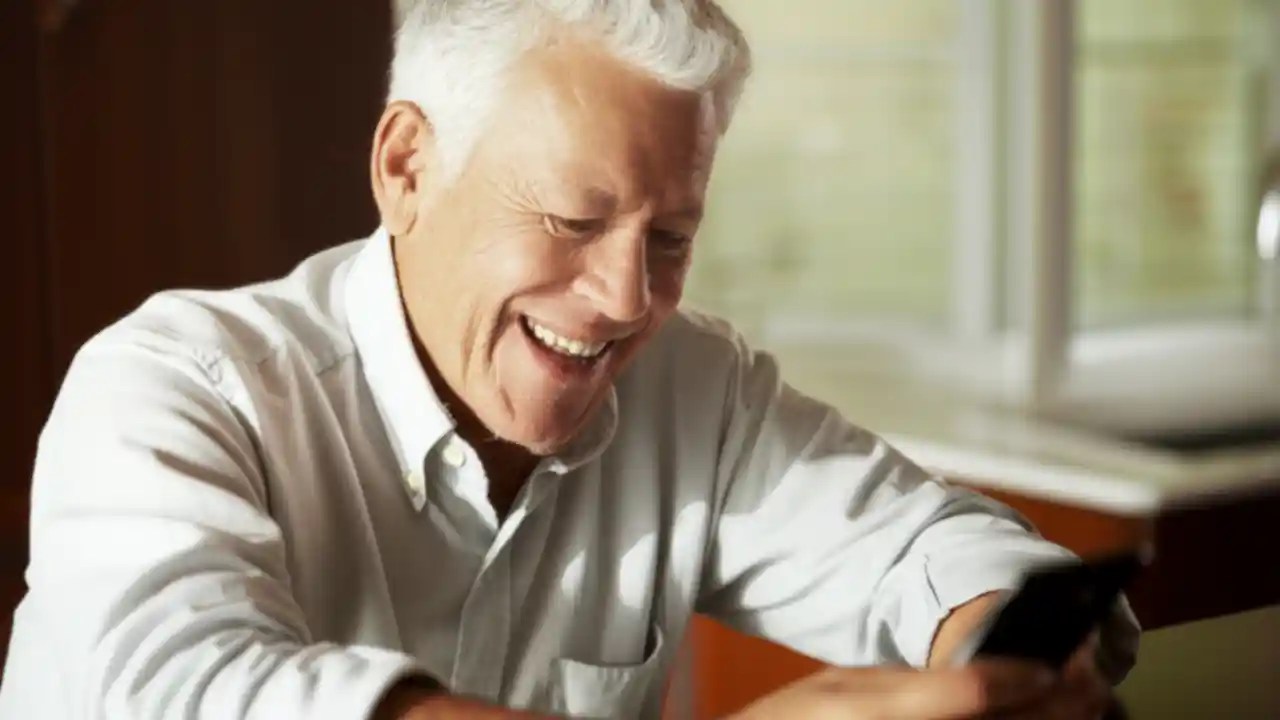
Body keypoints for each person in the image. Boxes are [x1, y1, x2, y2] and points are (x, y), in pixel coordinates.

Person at [0, 1, 1138, 718]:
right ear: (405, 168)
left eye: (672, 238)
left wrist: (1005, 662)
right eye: (570, 219)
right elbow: (185, 693)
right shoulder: (165, 389)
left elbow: (936, 550)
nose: (625, 300)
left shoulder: (691, 390)